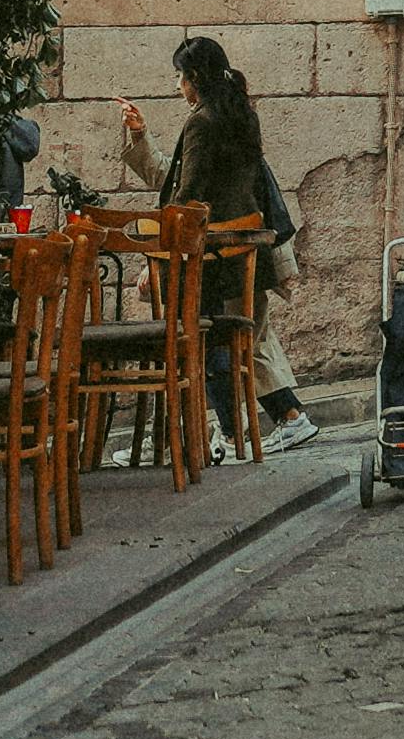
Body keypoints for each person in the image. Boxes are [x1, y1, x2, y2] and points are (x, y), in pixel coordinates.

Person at [115, 36, 323, 456]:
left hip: (213, 259)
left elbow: (186, 195)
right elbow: (186, 180)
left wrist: (160, 256)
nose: (177, 85)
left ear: (195, 77)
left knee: (207, 343)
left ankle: (216, 436)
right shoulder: (240, 115)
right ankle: (258, 425)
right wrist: (140, 135)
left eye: (180, 76)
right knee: (241, 342)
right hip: (243, 254)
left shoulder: (202, 123)